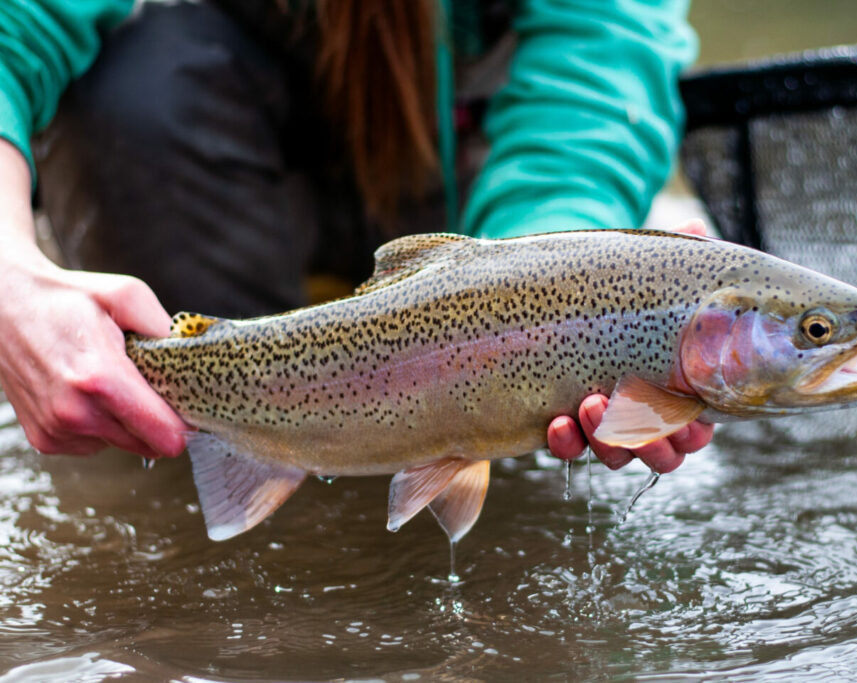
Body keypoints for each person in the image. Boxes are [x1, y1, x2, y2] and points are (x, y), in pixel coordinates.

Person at [0, 0, 712, 474]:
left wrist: (562, 300)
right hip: (193, 162)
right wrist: (11, 282)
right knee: (136, 91)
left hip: (469, 198)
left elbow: (594, 84)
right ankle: (208, 446)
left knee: (516, 468)